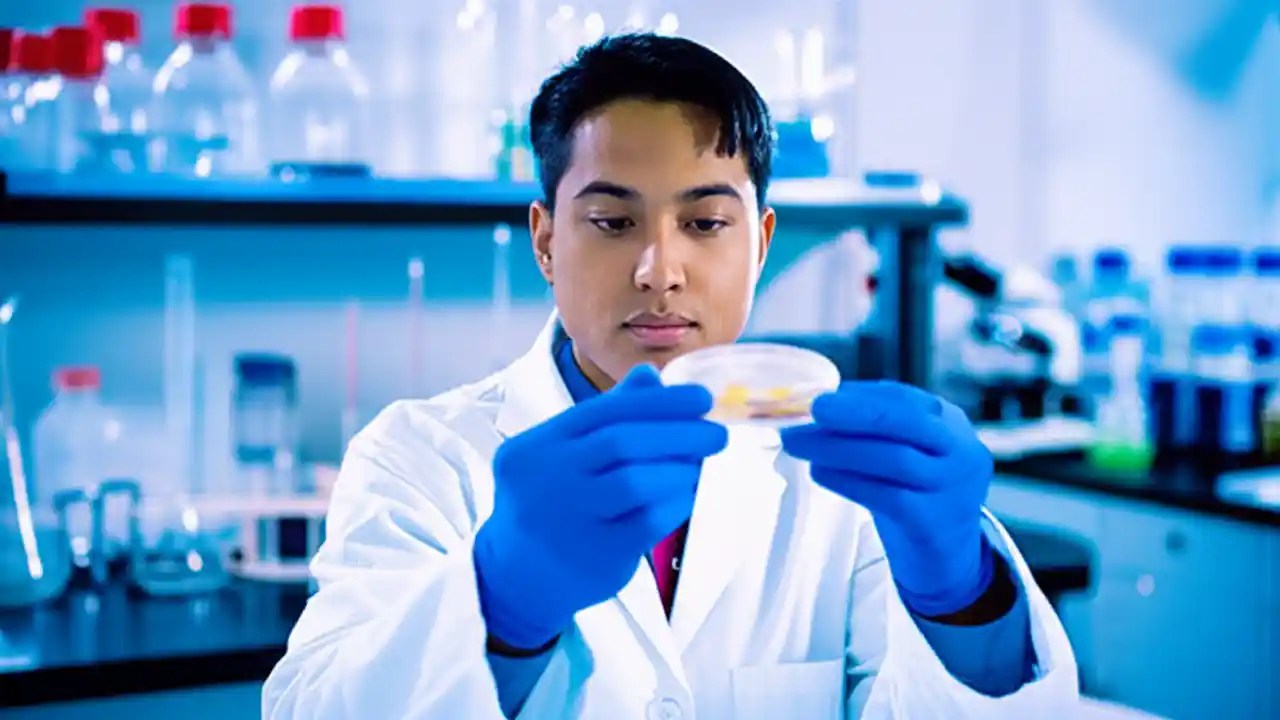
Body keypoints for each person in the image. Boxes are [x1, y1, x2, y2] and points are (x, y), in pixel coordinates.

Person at [263, 33, 1079, 719]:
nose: (660, 270)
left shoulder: (841, 484)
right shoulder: (420, 459)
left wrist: (963, 597)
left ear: (759, 242)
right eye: (613, 221)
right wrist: (501, 600)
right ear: (545, 241)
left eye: (705, 222)